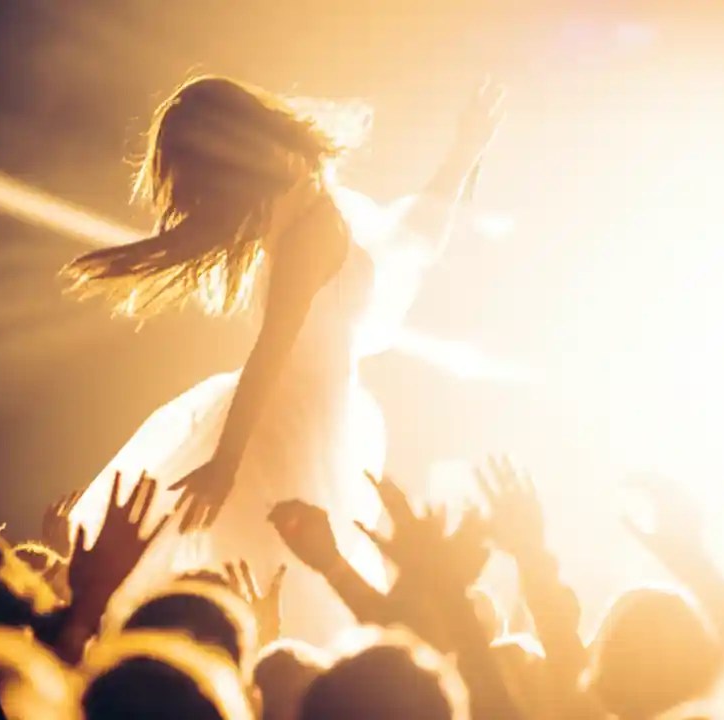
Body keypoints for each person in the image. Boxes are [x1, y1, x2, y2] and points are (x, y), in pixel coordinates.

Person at [63, 74, 503, 642]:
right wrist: (228, 461)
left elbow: (408, 246)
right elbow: (273, 348)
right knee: (273, 573)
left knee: (279, 576)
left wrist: (463, 157)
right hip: (286, 422)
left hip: (307, 417)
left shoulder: (313, 213)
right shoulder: (307, 220)